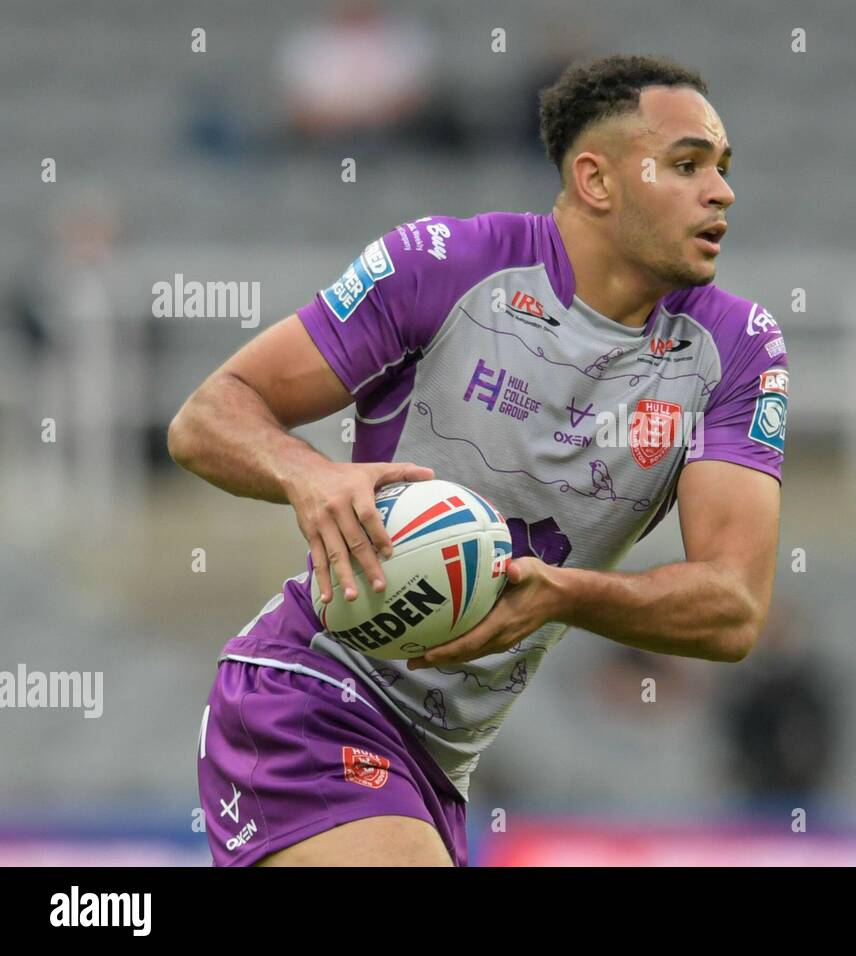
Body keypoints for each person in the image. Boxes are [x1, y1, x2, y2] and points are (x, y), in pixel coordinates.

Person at [169, 54, 790, 866]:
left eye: (723, 168)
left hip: (438, 763)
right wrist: (311, 477)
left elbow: (733, 607)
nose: (722, 191)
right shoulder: (446, 265)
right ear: (596, 181)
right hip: (310, 695)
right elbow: (206, 417)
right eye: (686, 165)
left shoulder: (735, 351)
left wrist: (561, 594)